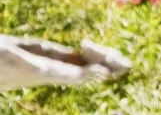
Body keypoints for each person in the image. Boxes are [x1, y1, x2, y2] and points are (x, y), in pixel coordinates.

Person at [0, 35, 131, 90]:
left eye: (80, 57)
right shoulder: (58, 59)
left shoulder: (40, 69)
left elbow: (44, 68)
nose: (73, 53)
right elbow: (40, 48)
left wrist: (80, 74)